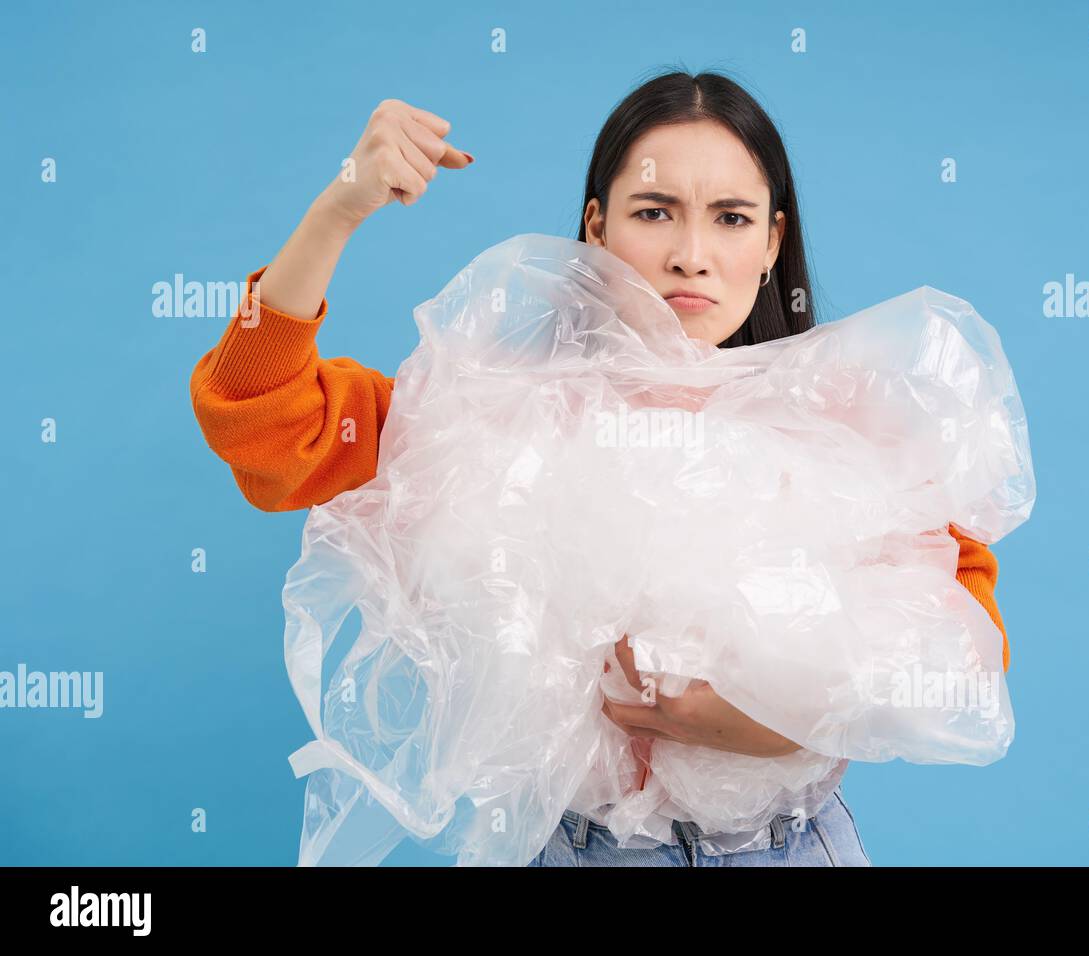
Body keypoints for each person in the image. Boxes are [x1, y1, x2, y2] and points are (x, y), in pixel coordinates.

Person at [190, 68, 1009, 867]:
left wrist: (781, 724)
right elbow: (256, 412)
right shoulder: (496, 416)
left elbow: (961, 647)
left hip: (791, 848)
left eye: (730, 218)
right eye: (655, 211)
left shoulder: (844, 427)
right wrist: (340, 207)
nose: (691, 254)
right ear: (597, 227)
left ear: (772, 244)